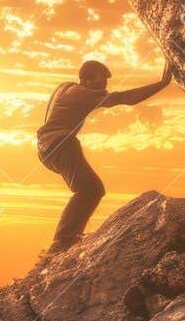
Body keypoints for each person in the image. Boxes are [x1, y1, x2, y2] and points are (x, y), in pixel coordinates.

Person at [37, 58, 172, 255]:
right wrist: (162, 83)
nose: (103, 88)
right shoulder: (81, 93)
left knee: (90, 189)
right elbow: (127, 98)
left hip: (47, 148)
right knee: (90, 189)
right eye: (100, 82)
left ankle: (65, 239)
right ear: (86, 80)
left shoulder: (66, 89)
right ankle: (62, 241)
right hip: (60, 143)